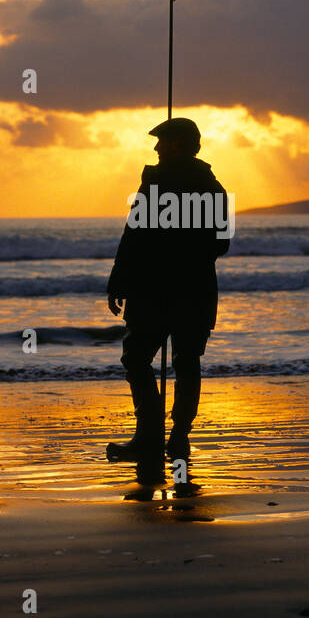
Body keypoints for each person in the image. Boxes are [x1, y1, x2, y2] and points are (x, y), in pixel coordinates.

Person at [106, 117, 230, 465]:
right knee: (182, 362)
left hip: (159, 291)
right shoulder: (210, 187)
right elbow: (220, 244)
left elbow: (134, 238)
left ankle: (155, 437)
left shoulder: (165, 185)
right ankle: (173, 438)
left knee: (142, 358)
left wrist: (124, 277)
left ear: (178, 144)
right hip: (189, 291)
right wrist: (119, 278)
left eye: (163, 142)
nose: (157, 148)